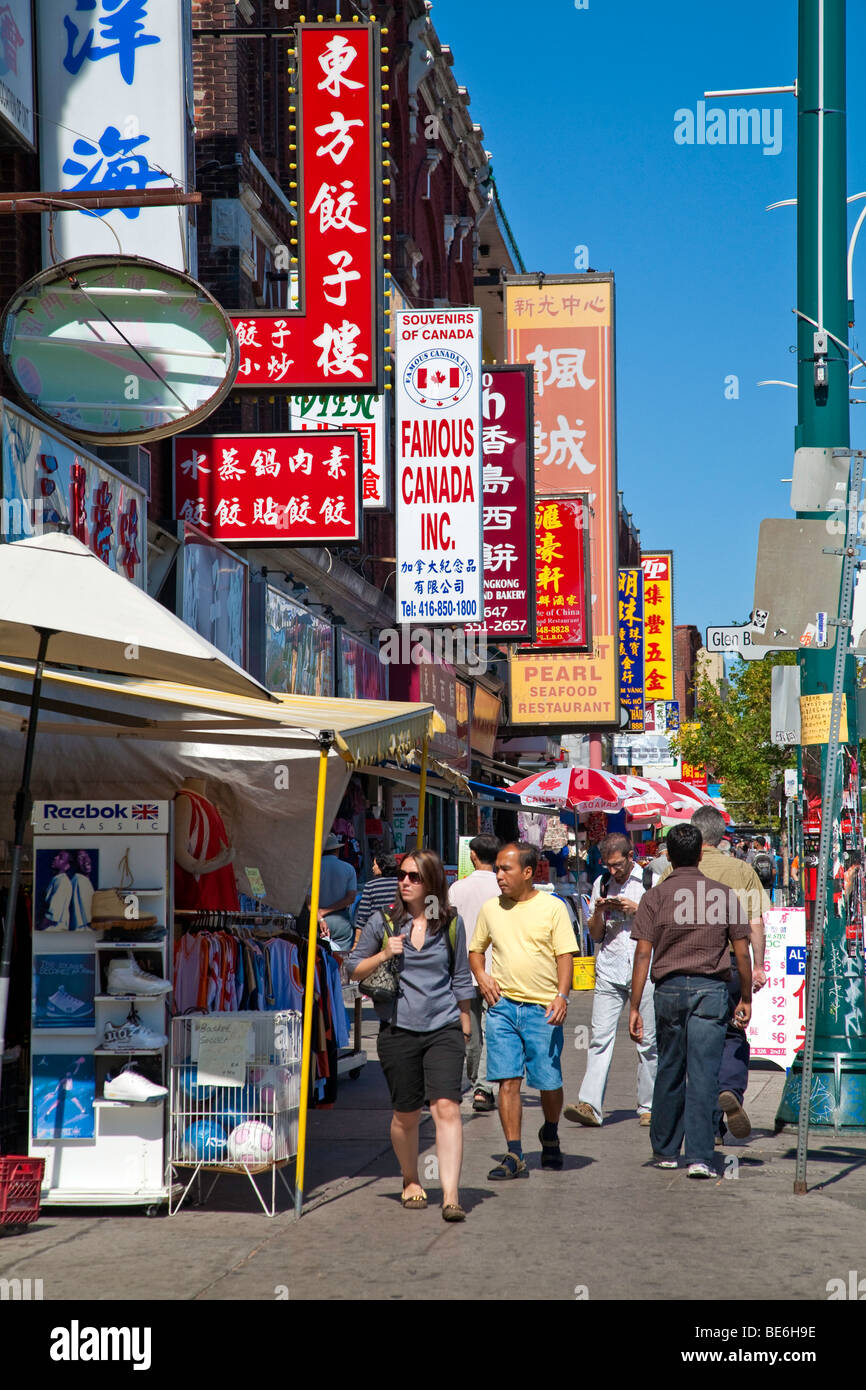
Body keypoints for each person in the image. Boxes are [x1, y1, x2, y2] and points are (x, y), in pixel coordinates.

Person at [348, 849, 475, 1221]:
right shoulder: (384, 922)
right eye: (402, 875)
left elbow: (460, 975)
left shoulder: (449, 922)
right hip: (398, 1029)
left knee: (446, 1107)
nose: (404, 882)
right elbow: (352, 968)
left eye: (414, 877)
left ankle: (451, 1194)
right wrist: (384, 953)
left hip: (444, 1026)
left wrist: (465, 1020)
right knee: (406, 1115)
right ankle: (410, 1179)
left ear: (432, 882)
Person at [629, 822, 753, 1177]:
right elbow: (741, 953)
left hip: (667, 991)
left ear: (667, 855)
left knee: (669, 1067)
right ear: (701, 853)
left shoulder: (654, 897)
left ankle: (666, 1150)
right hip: (711, 992)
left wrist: (635, 1005)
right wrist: (745, 997)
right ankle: (699, 1156)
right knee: (703, 1072)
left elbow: (642, 955)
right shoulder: (723, 894)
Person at [469, 842, 575, 1179]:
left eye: (506, 869)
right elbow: (476, 950)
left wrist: (562, 996)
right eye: (497, 868)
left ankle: (550, 1131)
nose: (499, 875)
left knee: (548, 1081)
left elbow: (565, 956)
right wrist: (482, 977)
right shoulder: (490, 909)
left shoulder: (553, 908)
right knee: (507, 1082)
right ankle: (514, 1154)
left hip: (542, 1010)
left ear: (528, 873)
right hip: (502, 1009)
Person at [673, 806, 769, 1142]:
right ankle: (729, 1090)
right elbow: (755, 924)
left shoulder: (679, 871)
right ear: (721, 835)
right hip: (729, 965)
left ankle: (707, 1124)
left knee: (696, 1045)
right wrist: (758, 966)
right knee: (732, 1035)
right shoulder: (741, 871)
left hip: (683, 969)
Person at [564, 833, 657, 1129]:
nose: (613, 871)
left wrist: (635, 909)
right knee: (600, 1037)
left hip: (644, 969)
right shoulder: (601, 883)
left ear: (631, 856)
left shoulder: (650, 881)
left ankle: (649, 1105)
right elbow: (595, 934)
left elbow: (663, 925)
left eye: (618, 865)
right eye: (609, 865)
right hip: (609, 967)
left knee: (646, 1040)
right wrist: (600, 912)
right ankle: (590, 1104)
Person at [448, 834, 501, 1112]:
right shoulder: (503, 887)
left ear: (472, 855)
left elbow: (448, 929)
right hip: (495, 970)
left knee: (467, 1028)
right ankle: (483, 1088)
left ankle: (470, 1082)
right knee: (490, 1029)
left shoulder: (457, 888)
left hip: (462, 970)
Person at [311, 833, 358, 953]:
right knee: (340, 960)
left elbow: (307, 899)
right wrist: (326, 911)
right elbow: (351, 898)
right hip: (340, 921)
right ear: (337, 849)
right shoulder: (348, 868)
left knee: (318, 960)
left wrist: (320, 917)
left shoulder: (312, 868)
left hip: (316, 921)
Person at [353, 852, 400, 944]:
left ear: (382, 867)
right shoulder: (401, 884)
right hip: (398, 931)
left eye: (375, 865)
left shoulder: (371, 886)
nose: (372, 868)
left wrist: (356, 942)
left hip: (376, 933)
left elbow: (363, 917)